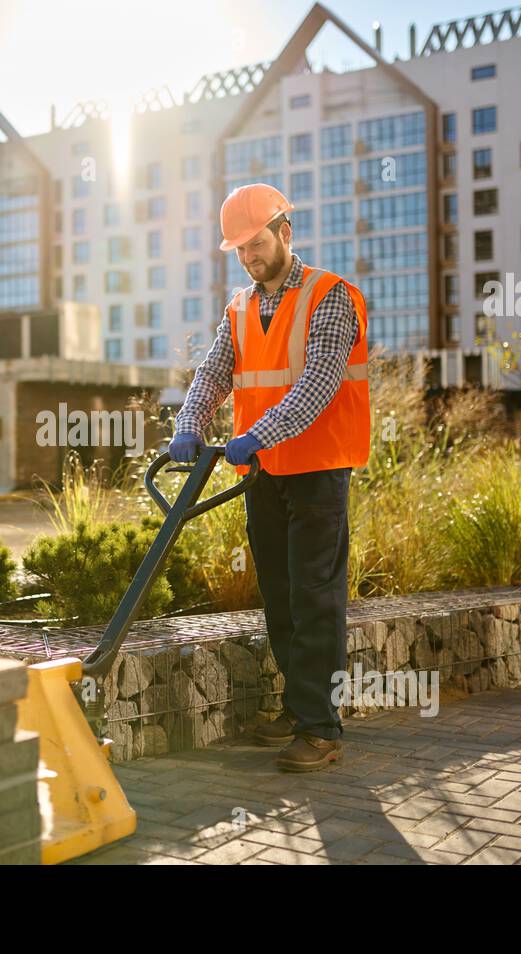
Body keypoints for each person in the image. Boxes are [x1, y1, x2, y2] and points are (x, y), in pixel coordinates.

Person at [170, 183, 371, 772]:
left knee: (315, 598)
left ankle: (321, 727)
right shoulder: (238, 307)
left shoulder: (331, 296)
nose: (250, 257)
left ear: (285, 232)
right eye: (239, 250)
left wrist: (261, 432)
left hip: (317, 470)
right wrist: (189, 422)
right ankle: (298, 707)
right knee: (281, 598)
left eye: (256, 243)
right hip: (263, 473)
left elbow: (319, 382)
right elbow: (213, 373)